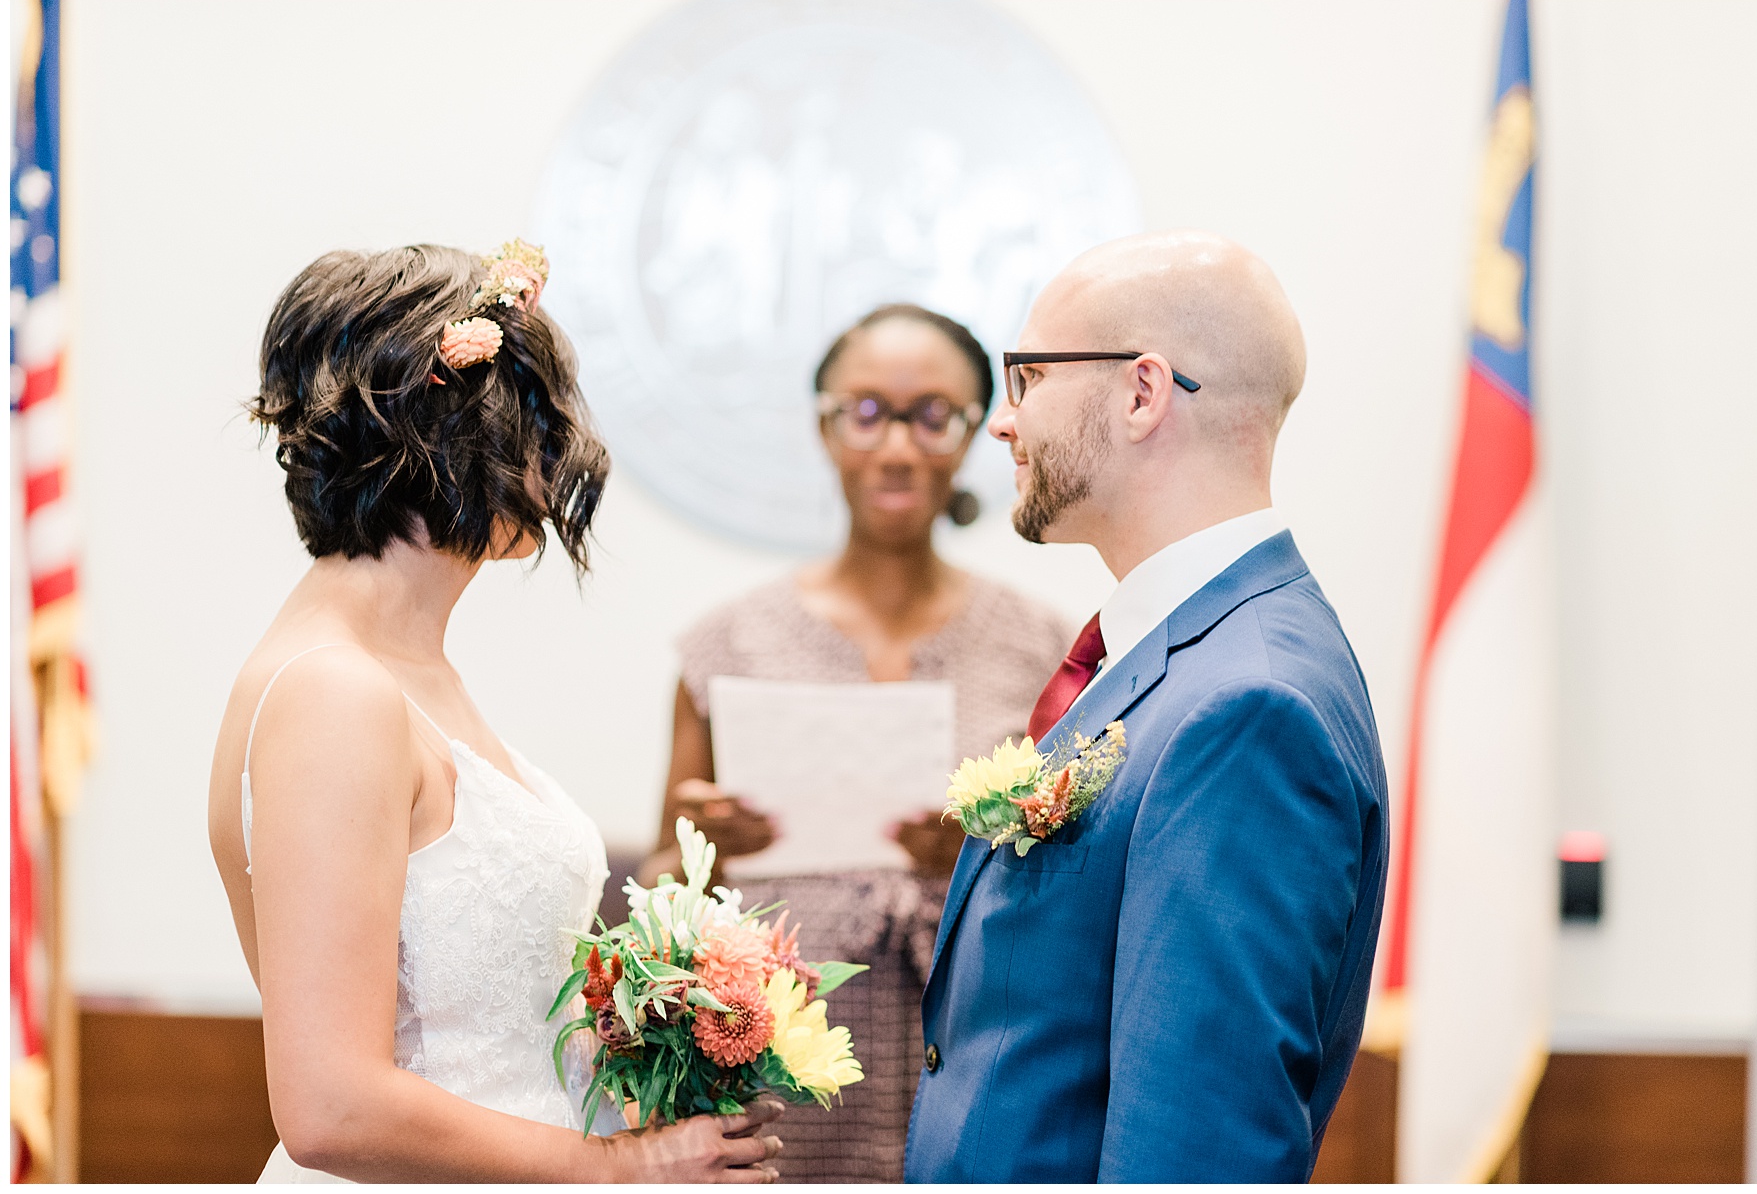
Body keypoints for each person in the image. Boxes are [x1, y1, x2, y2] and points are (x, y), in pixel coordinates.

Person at [205, 242, 782, 1183]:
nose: (558, 461)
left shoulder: (402, 669)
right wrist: (623, 1165)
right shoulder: (333, 690)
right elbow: (329, 1105)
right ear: (451, 429)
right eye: (538, 418)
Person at [905, 231, 1390, 1183]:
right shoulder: (1179, 655)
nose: (1003, 425)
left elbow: (1198, 1147)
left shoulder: (1248, 708)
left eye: (1029, 377)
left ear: (1141, 392)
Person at [646, 304, 1072, 1181]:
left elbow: (1077, 881)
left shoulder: (1042, 650)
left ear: (975, 432)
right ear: (825, 425)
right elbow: (661, 889)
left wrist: (980, 855)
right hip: (779, 1077)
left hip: (977, 1055)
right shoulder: (727, 646)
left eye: (932, 415)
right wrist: (701, 851)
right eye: (867, 411)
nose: (898, 446)